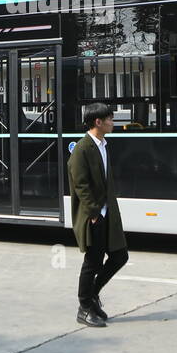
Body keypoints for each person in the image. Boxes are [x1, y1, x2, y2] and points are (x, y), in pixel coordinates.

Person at [68, 102, 128, 328]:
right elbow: (80, 184)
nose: (113, 123)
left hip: (108, 213)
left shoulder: (103, 145)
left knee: (120, 256)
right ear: (98, 122)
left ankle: (92, 295)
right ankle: (84, 308)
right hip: (93, 215)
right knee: (92, 262)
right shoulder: (82, 149)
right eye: (110, 119)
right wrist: (94, 213)